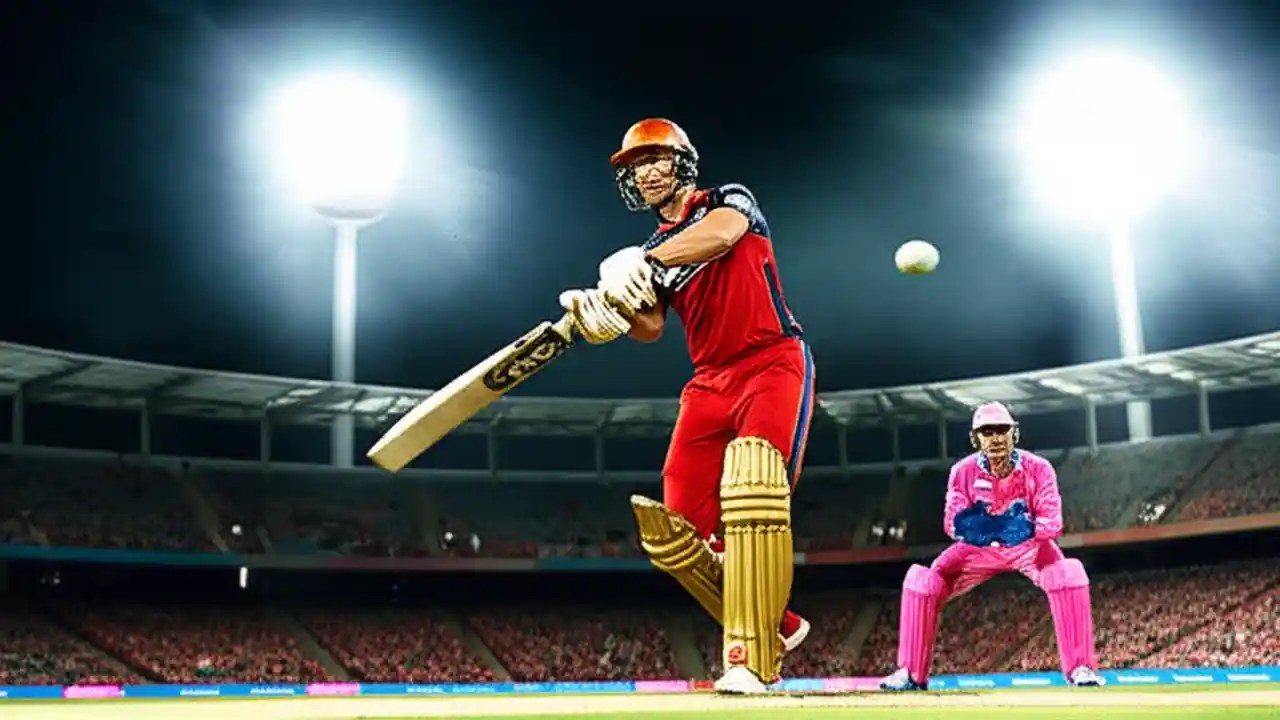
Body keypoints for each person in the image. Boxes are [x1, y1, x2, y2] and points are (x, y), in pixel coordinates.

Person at [557, 118, 814, 694]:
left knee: (754, 500)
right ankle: (780, 621)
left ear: (682, 162)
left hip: (772, 361)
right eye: (633, 166)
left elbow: (723, 235)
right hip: (709, 383)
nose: (644, 173)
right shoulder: (648, 251)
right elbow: (650, 326)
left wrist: (643, 265)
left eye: (654, 159)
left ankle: (751, 662)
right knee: (679, 533)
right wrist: (605, 312)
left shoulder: (727, 200)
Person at [880, 401, 1105, 690]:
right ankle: (910, 674)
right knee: (922, 581)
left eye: (1002, 430)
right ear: (976, 439)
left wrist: (1018, 529)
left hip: (1029, 546)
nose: (996, 438)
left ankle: (1081, 669)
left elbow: (1051, 523)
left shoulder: (1039, 469)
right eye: (987, 431)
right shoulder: (963, 472)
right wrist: (996, 528)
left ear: (1015, 434)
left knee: (1068, 573)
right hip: (978, 549)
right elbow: (953, 523)